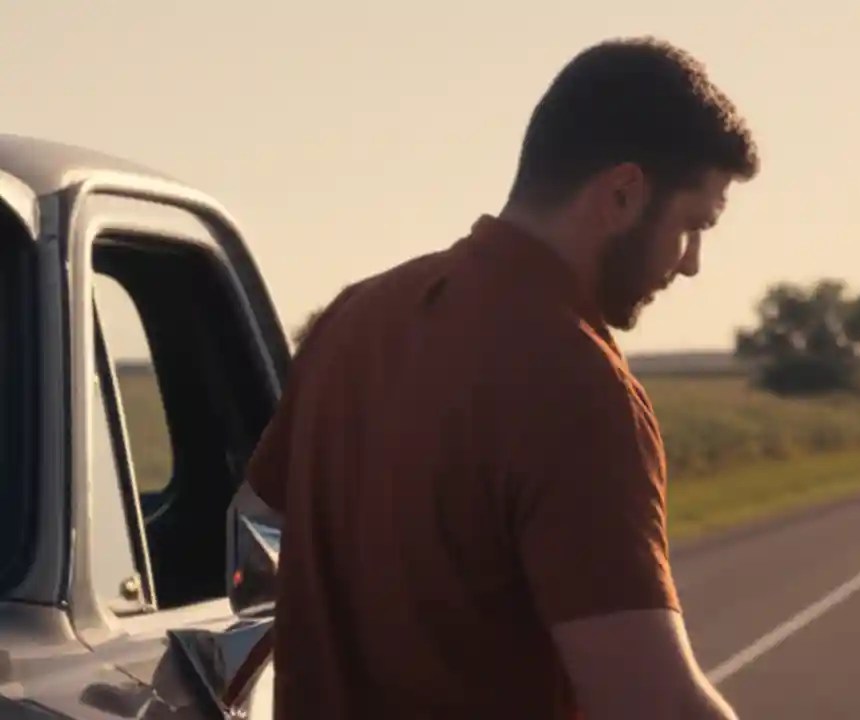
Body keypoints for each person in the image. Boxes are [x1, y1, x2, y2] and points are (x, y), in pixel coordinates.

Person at [242, 35, 760, 719]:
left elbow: (251, 526)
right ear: (623, 194)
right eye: (694, 225)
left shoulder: (353, 318)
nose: (690, 262)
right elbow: (649, 703)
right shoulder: (578, 383)